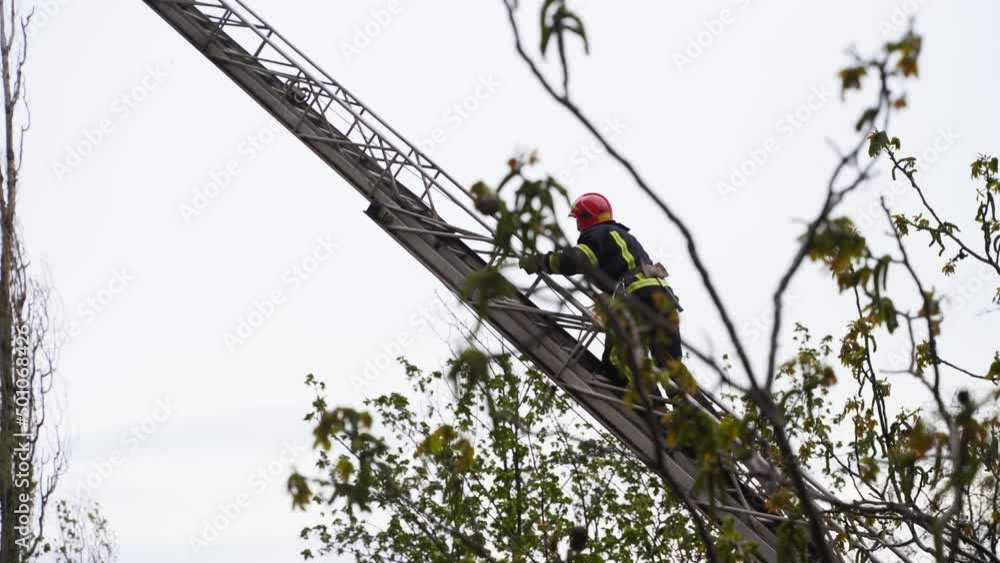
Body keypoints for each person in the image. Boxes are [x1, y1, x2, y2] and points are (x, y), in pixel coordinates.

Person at [517, 193, 683, 393]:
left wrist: (540, 262)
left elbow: (575, 260)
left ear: (588, 218)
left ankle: (649, 405)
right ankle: (692, 414)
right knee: (669, 363)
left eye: (579, 220)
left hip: (636, 296)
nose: (578, 227)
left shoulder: (597, 234)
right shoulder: (624, 236)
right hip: (663, 297)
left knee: (619, 357)